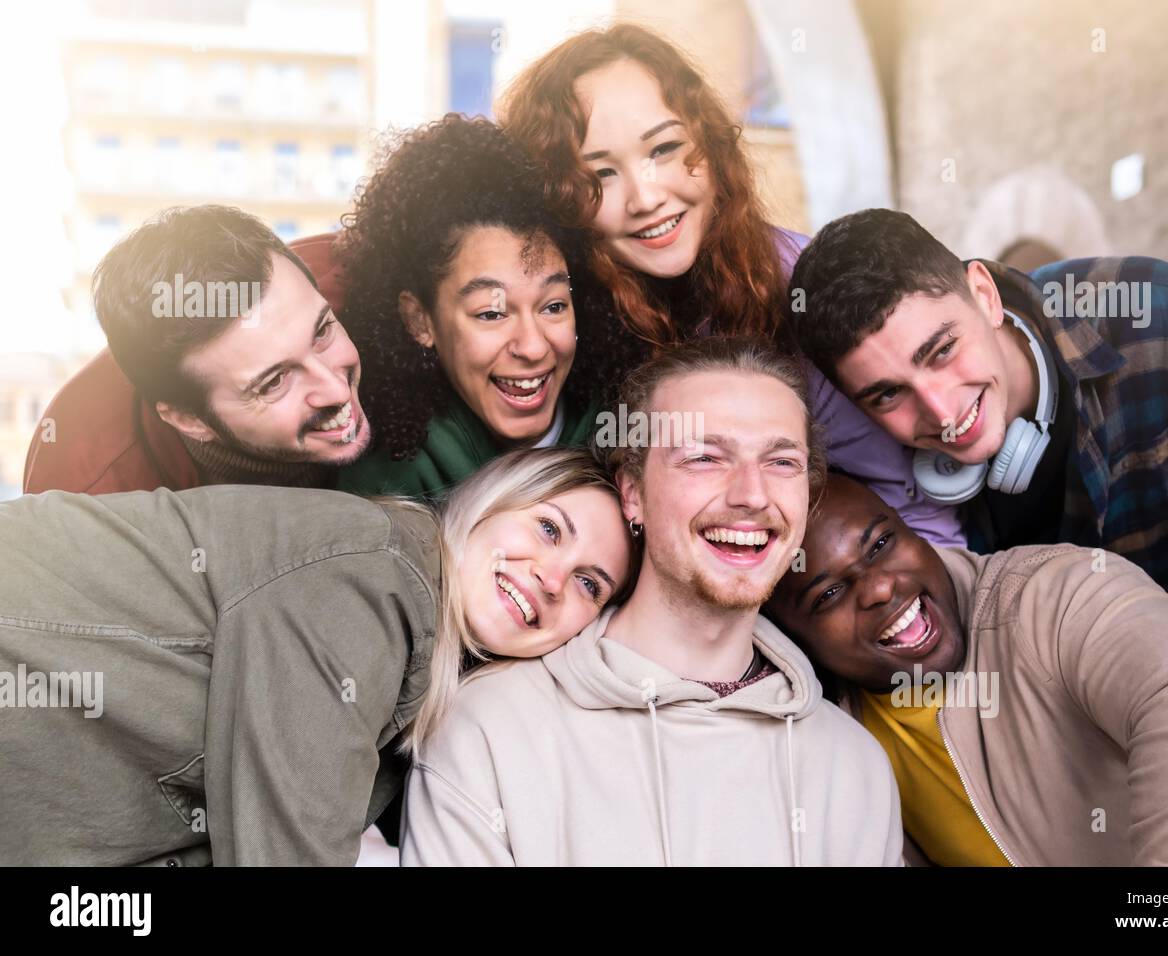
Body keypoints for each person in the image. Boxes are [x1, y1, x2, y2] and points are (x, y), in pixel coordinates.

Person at [789, 208, 1168, 780]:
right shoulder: (900, 493)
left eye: (940, 352)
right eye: (887, 396)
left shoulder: (1160, 316)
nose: (941, 412)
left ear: (983, 293)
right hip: (1091, 763)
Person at [402, 338, 904, 866]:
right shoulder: (489, 725)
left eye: (781, 462)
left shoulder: (856, 769)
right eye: (705, 457)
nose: (752, 496)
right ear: (633, 492)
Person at [0, 448, 632, 865]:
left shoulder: (406, 696)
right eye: (548, 529)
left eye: (589, 584)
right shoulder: (381, 574)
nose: (552, 578)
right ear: (490, 503)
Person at [498, 23, 963, 546]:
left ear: (712, 146)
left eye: (665, 148)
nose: (645, 197)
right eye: (601, 175)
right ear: (557, 198)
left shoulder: (798, 286)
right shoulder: (549, 319)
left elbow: (911, 509)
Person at [766, 471, 1168, 866]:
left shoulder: (1054, 594)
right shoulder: (838, 741)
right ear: (795, 641)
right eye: (829, 593)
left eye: (882, 543)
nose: (880, 586)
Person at [334, 114, 623, 498]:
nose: (534, 347)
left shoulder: (625, 429)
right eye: (491, 313)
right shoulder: (389, 475)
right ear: (419, 320)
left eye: (553, 306)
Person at [24, 205, 372, 495]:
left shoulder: (371, 272)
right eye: (275, 382)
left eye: (323, 331)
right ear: (188, 419)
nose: (336, 390)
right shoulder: (88, 490)